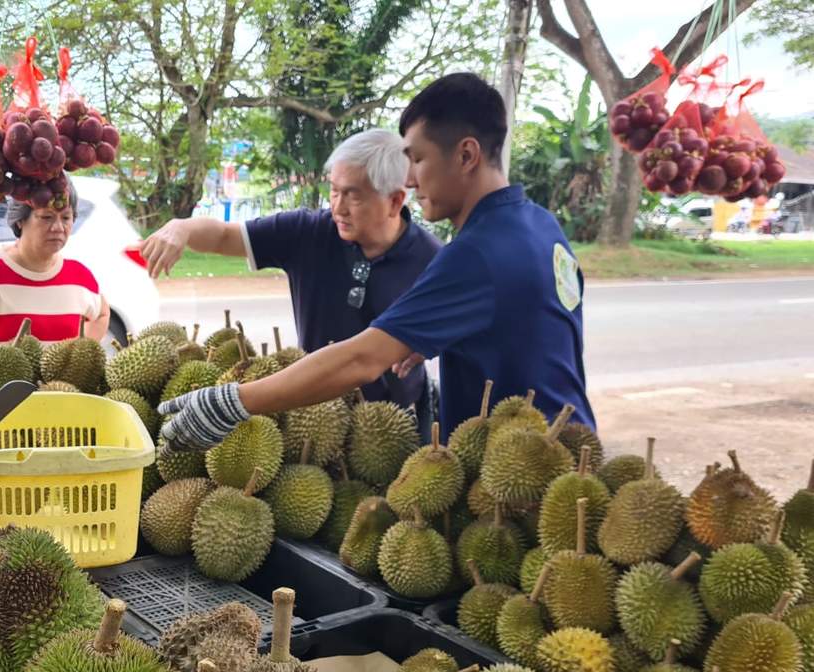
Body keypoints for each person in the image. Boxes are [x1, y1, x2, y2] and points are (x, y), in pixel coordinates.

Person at [157, 72, 596, 454]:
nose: (408, 178)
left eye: (418, 159)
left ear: (466, 156)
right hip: (567, 445)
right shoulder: (540, 227)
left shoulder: (474, 253)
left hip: (522, 471)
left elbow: (359, 360)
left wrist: (235, 401)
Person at [139, 129, 442, 410]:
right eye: (334, 191)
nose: (338, 207)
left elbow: (466, 325)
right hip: (312, 408)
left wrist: (433, 341)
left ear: (394, 201)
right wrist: (182, 228)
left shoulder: (433, 260)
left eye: (354, 195)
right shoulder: (305, 232)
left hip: (394, 424)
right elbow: (223, 235)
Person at [0, 179, 110, 386]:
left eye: (66, 218)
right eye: (46, 217)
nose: (58, 227)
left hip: (62, 407)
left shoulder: (80, 275)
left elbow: (102, 314)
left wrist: (80, 352)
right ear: (20, 220)